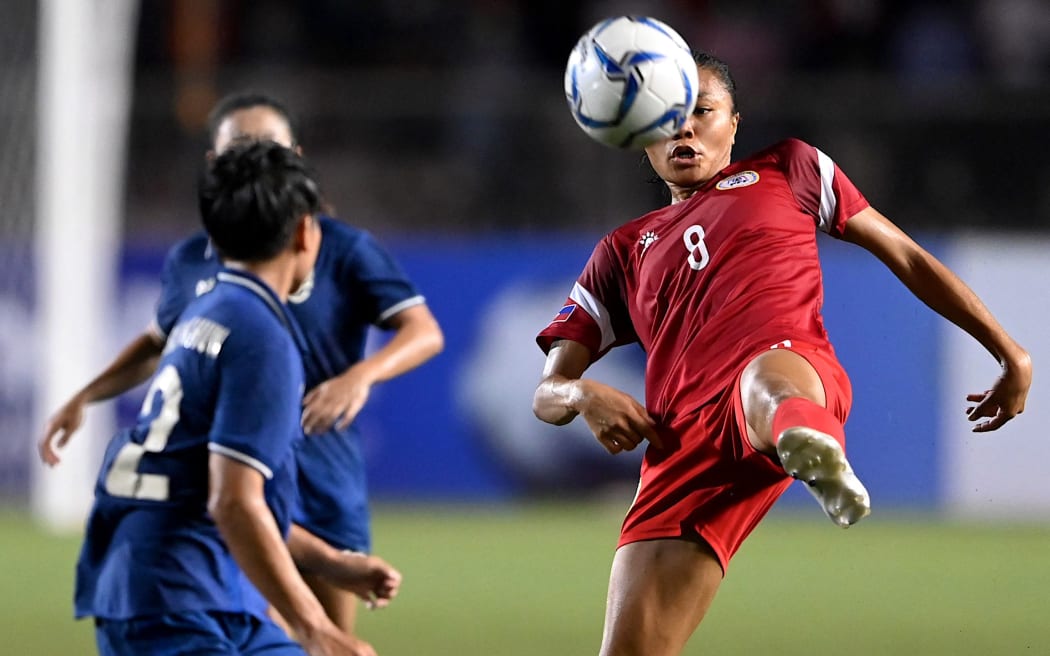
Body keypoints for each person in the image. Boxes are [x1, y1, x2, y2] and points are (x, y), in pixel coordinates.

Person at [532, 52, 1032, 656]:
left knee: (764, 385)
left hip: (787, 369)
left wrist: (1010, 352)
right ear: (640, 137)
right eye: (666, 119)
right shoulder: (621, 250)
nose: (684, 129)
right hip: (681, 448)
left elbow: (906, 256)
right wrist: (582, 394)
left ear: (734, 123)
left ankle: (812, 447)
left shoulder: (788, 169)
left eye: (701, 112)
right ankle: (806, 445)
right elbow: (546, 392)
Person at [40, 91, 444, 636]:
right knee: (289, 629)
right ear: (214, 163)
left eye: (269, 148)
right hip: (221, 501)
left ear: (295, 159)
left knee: (320, 633)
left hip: (314, 477)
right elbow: (159, 342)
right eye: (242, 147)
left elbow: (424, 329)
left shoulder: (338, 251)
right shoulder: (230, 300)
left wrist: (359, 376)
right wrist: (86, 395)